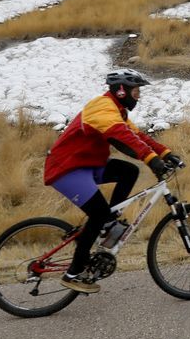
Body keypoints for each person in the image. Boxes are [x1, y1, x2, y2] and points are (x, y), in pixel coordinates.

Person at [43, 68, 182, 294]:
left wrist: (165, 153)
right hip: (67, 168)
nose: (138, 96)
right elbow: (122, 136)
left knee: (128, 172)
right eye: (136, 91)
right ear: (121, 91)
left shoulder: (117, 111)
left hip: (87, 164)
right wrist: (151, 159)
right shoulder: (102, 107)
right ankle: (73, 273)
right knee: (97, 214)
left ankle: (109, 222)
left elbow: (138, 137)